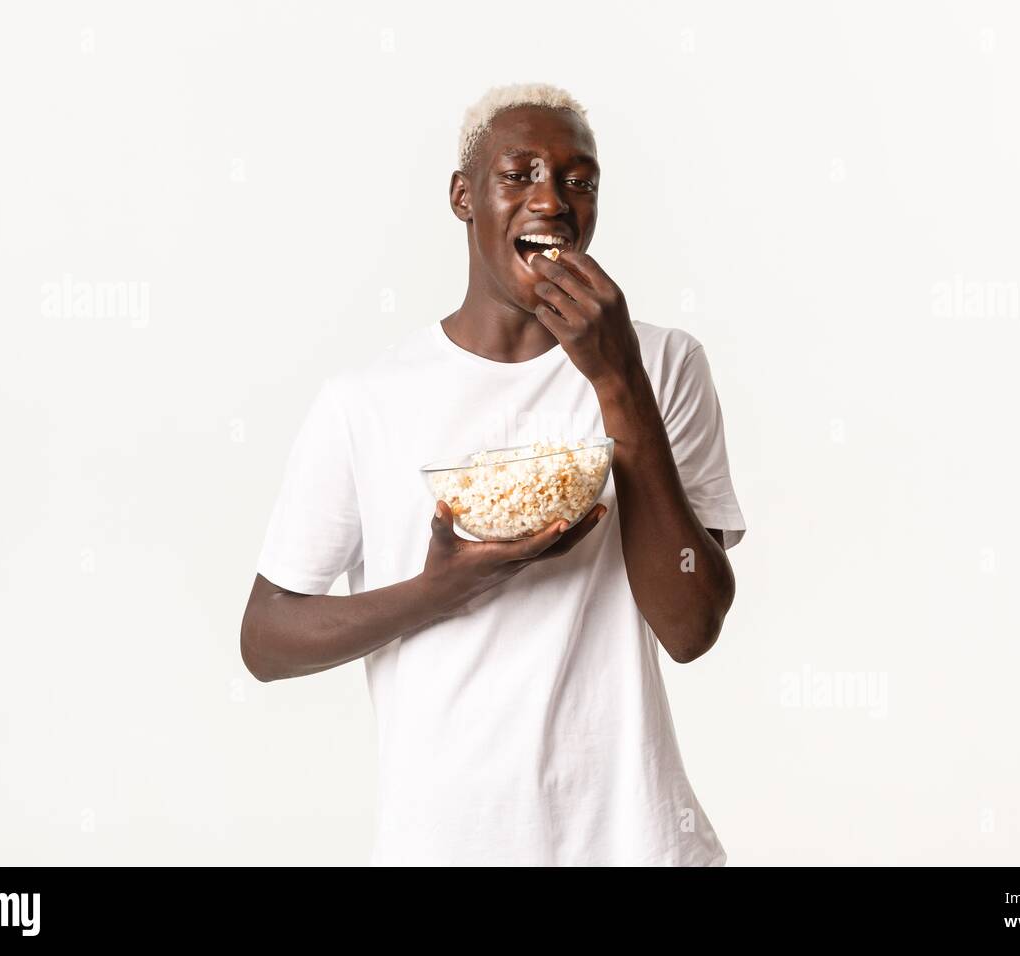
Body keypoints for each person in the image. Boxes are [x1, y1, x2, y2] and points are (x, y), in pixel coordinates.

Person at [241, 83, 746, 866]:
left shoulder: (663, 365)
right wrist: (441, 588)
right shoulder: (366, 402)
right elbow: (266, 638)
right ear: (462, 197)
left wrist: (618, 384)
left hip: (636, 845)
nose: (553, 200)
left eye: (580, 180)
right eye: (520, 173)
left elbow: (690, 626)